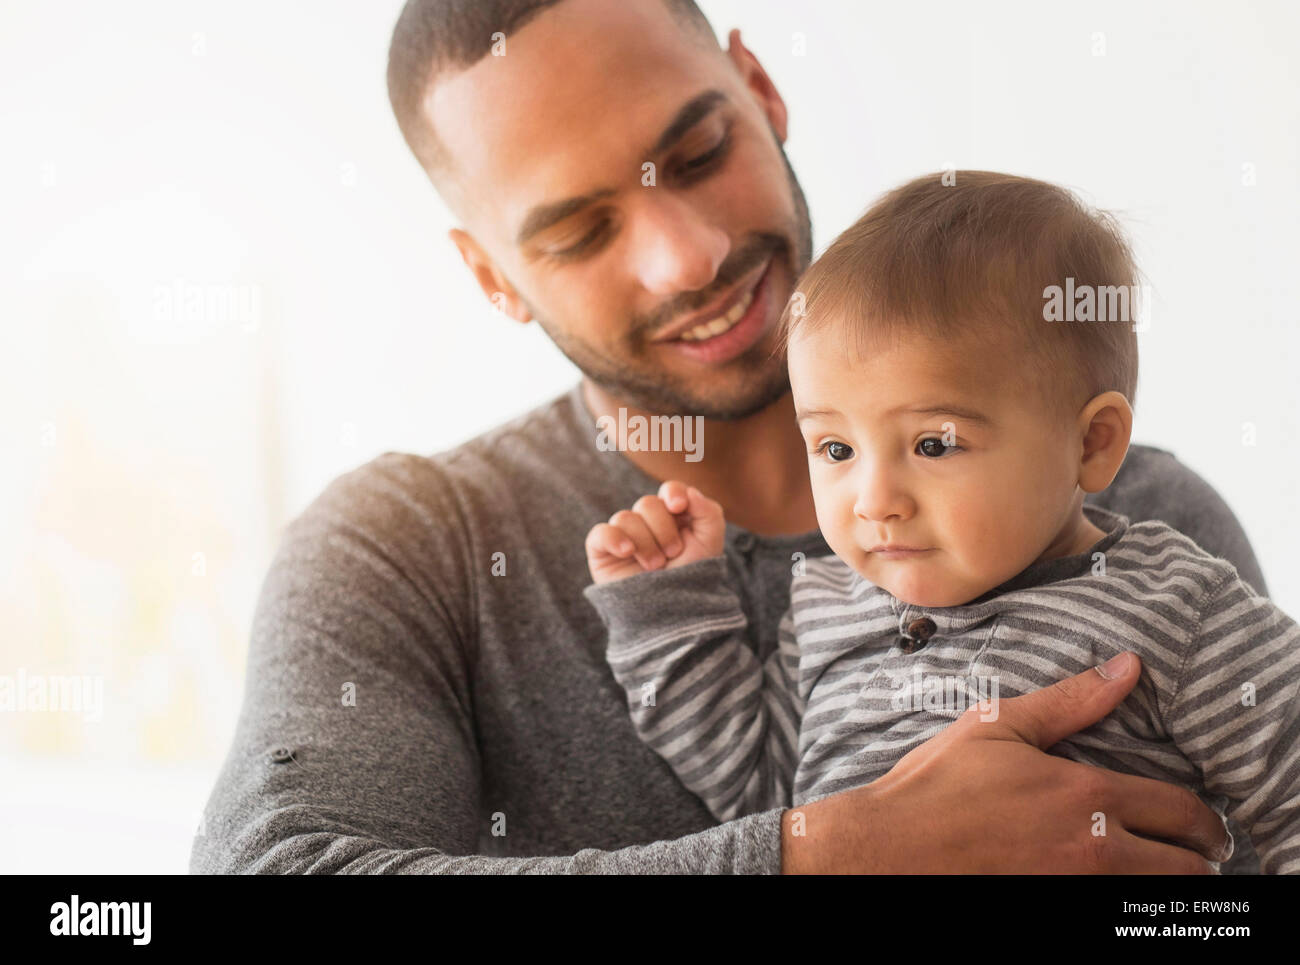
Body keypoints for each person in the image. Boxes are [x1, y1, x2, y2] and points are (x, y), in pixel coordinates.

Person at [192, 0, 1263, 873]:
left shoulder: (1145, 518)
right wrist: (834, 856)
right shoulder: (405, 548)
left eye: (697, 153)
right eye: (579, 232)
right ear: (490, 276)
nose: (688, 256)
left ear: (762, 91)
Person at [584, 171, 1300, 874]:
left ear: (1092, 443)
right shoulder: (827, 609)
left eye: (933, 444)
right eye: (835, 448)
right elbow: (755, 787)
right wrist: (667, 606)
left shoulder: (1176, 606)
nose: (874, 498)